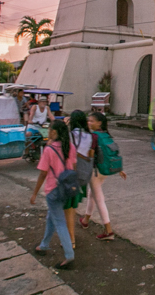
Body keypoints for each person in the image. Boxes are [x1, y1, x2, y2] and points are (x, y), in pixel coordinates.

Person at [30, 120, 76, 270]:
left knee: (59, 222)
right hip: (67, 189)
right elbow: (73, 167)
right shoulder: (70, 147)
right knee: (52, 216)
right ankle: (44, 245)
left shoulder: (49, 150)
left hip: (53, 190)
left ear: (54, 132)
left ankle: (69, 255)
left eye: (49, 129)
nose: (48, 131)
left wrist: (35, 193)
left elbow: (43, 173)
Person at [79, 112, 127, 241]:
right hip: (104, 171)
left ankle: (108, 230)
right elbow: (111, 153)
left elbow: (90, 155)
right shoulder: (106, 135)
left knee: (99, 198)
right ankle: (85, 220)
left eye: (92, 121)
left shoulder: (94, 136)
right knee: (92, 194)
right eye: (88, 121)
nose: (89, 123)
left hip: (95, 171)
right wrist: (119, 169)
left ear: (99, 123)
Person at [66, 110, 94, 245]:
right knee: (72, 208)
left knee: (68, 209)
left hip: (71, 176)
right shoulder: (90, 136)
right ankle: (70, 238)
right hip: (84, 175)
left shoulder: (70, 135)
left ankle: (71, 239)